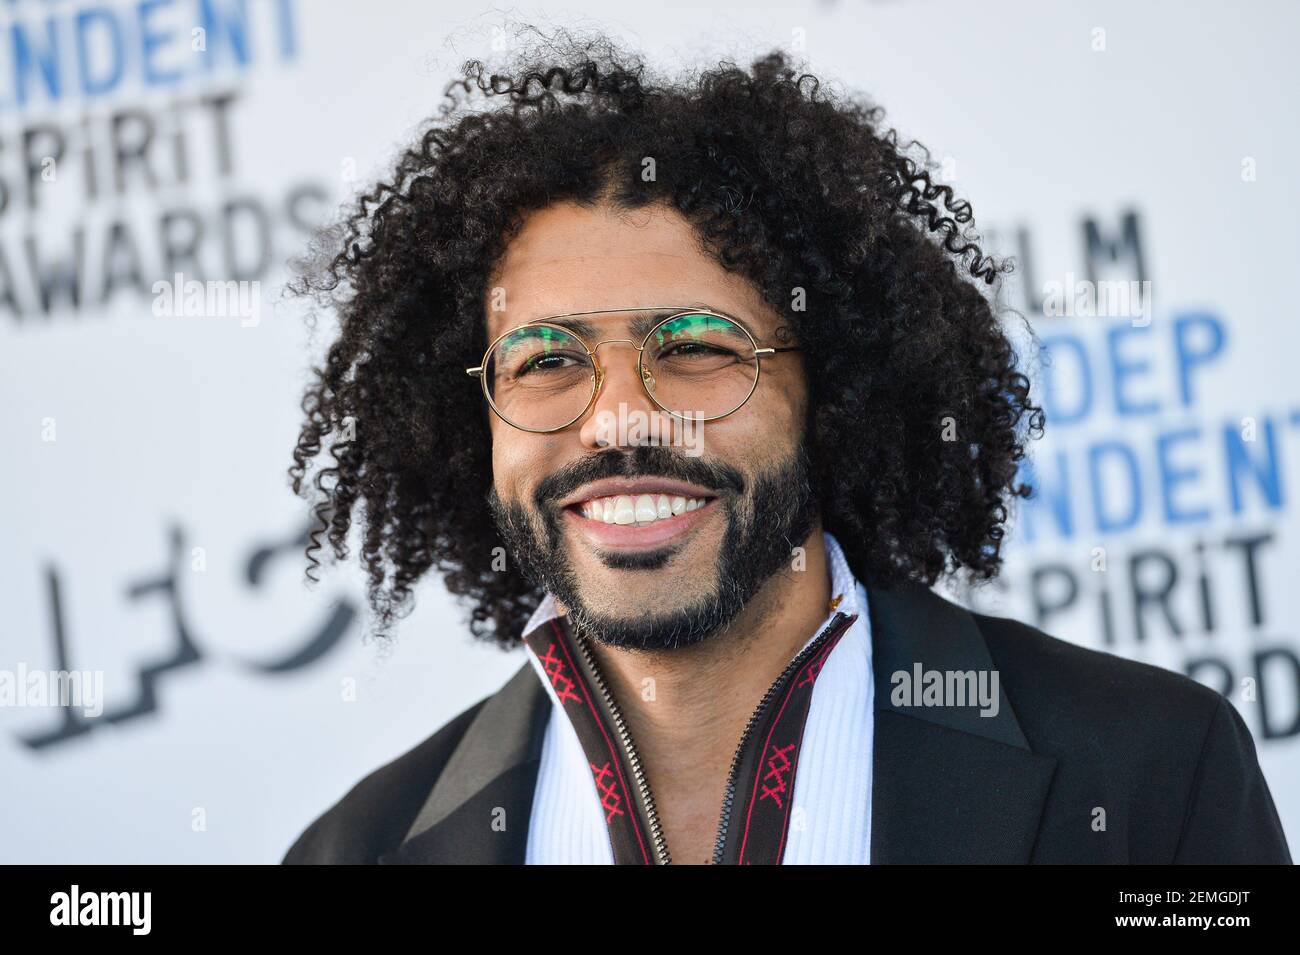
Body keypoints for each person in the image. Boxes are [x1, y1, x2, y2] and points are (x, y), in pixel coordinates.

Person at [280, 32, 1290, 864]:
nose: (622, 417)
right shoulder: (356, 851)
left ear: (834, 390)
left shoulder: (1149, 769)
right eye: (545, 360)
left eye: (696, 348)